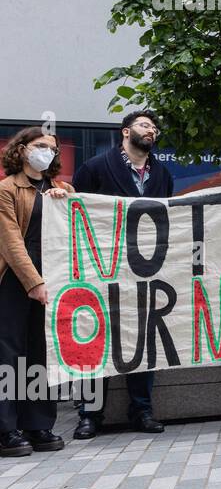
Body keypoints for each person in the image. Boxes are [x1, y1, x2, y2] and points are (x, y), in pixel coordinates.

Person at [72, 110, 173, 439]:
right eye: (145, 125)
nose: (151, 131)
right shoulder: (95, 168)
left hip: (144, 272)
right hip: (101, 270)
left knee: (142, 341)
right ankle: (89, 414)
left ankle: (141, 410)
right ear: (125, 132)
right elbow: (77, 214)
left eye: (154, 128)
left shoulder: (162, 173)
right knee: (94, 340)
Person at [0, 129, 72, 457]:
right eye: (40, 146)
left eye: (52, 149)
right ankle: (7, 428)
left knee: (41, 353)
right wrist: (33, 282)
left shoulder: (60, 189)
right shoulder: (6, 189)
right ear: (22, 149)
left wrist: (65, 202)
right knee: (10, 353)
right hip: (14, 281)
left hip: (52, 276)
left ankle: (38, 423)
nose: (47, 153)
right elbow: (11, 241)